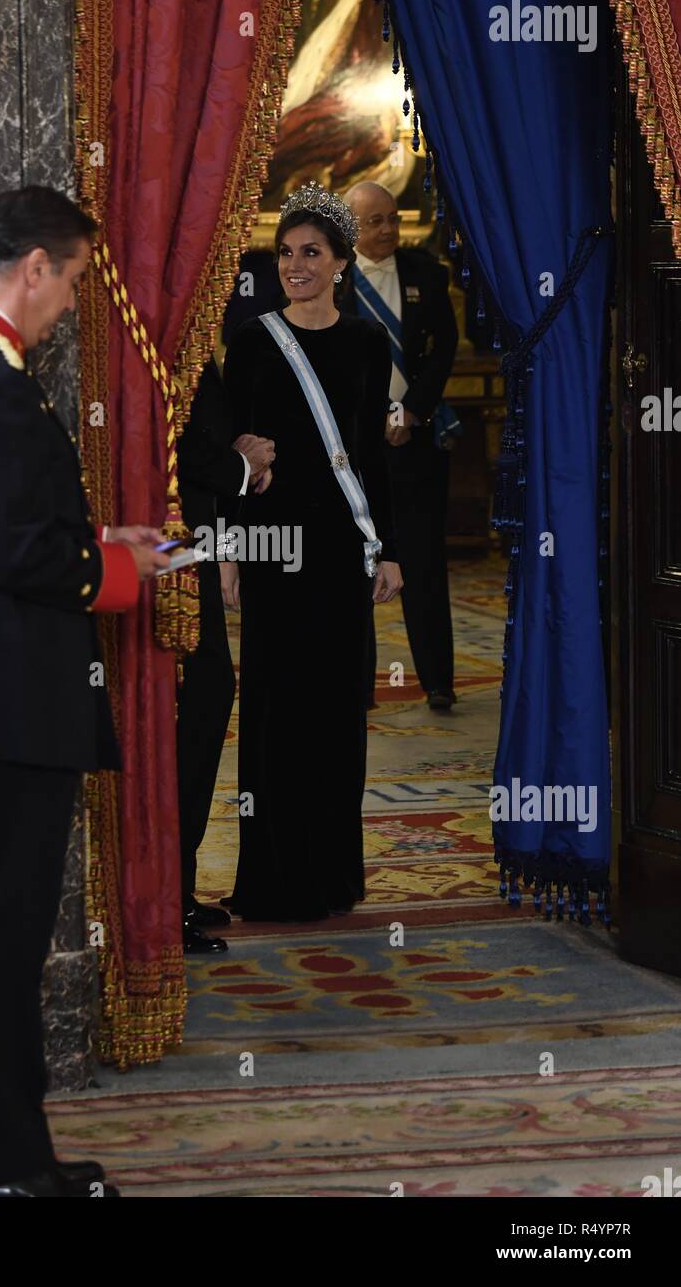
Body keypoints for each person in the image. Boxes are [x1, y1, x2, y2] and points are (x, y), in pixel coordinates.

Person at [0, 186, 170, 1199]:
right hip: (15, 683)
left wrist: (110, 543)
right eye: (70, 284)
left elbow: (3, 531)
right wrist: (117, 576)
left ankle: (6, 1157)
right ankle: (1, 1169)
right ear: (33, 270)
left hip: (6, 675)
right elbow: (18, 551)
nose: (69, 306)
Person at [220, 182, 402, 922]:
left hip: (338, 553)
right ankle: (272, 880)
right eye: (286, 253)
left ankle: (332, 875)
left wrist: (387, 550)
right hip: (272, 551)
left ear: (339, 262)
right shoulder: (252, 341)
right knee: (273, 712)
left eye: (311, 253)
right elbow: (229, 453)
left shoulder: (364, 343)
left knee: (334, 714)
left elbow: (371, 459)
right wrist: (228, 548)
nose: (295, 265)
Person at [341, 181, 459, 711]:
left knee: (423, 564)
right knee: (353, 569)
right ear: (349, 228)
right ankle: (357, 684)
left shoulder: (426, 276)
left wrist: (410, 410)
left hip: (413, 442)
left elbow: (444, 349)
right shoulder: (331, 281)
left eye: (392, 218)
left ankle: (438, 681)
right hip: (354, 452)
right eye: (374, 222)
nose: (388, 229)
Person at [176, 358, 274, 953]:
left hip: (197, 547)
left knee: (206, 705)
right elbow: (175, 448)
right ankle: (162, 895)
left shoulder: (190, 333)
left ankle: (174, 889)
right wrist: (240, 466)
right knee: (192, 713)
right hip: (168, 556)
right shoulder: (160, 337)